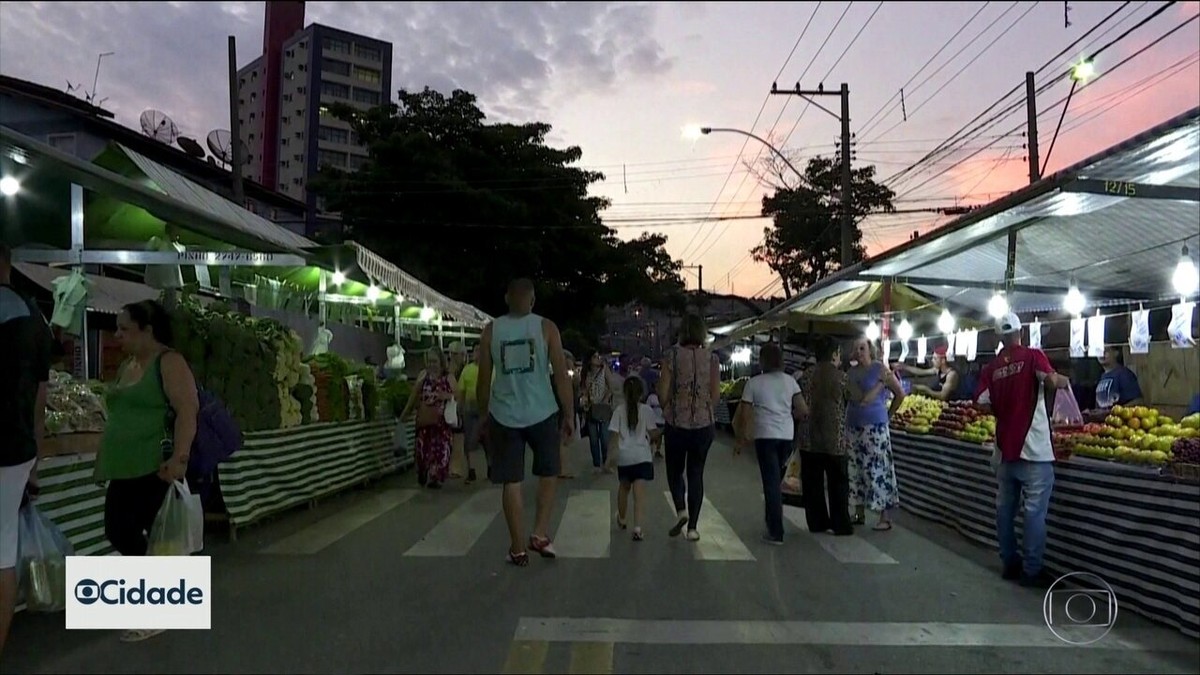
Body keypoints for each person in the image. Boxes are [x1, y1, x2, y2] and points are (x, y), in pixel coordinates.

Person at [96, 300, 199, 643]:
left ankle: (154, 604)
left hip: (154, 466)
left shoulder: (169, 362)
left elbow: (187, 410)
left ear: (148, 331)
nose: (117, 335)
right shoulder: (128, 365)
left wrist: (180, 458)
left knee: (140, 535)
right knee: (117, 530)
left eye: (124, 329)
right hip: (123, 467)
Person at [476, 279, 574, 567]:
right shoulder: (546, 327)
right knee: (549, 472)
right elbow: (561, 375)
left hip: (504, 415)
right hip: (543, 411)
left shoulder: (491, 331)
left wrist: (483, 414)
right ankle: (540, 533)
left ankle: (517, 548)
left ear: (507, 298)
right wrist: (569, 413)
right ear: (532, 301)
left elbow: (483, 379)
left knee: (511, 481)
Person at [975, 312, 1070, 587]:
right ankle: (1032, 569)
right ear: (1021, 332)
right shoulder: (1032, 356)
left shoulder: (991, 368)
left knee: (1005, 510)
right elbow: (1050, 381)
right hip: (1034, 449)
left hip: (1005, 449)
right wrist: (1062, 380)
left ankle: (1009, 563)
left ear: (999, 337)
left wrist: (1002, 411)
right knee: (1033, 512)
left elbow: (981, 402)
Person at [0, 243, 53, 657]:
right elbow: (41, 394)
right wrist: (34, 456)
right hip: (17, 449)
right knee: (2, 556)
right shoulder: (35, 316)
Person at [734, 343, 809, 545]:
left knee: (771, 483)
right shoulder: (790, 382)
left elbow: (745, 414)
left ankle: (775, 531)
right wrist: (789, 415)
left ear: (762, 361)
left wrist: (741, 438)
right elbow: (803, 410)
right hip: (786, 436)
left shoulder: (754, 383)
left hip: (765, 436)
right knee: (776, 481)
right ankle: (772, 523)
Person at [658, 313, 720, 541]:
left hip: (677, 423)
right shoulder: (712, 359)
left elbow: (663, 393)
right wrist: (704, 410)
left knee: (674, 471)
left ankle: (681, 509)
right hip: (704, 425)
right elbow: (715, 395)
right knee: (696, 473)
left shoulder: (671, 356)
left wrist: (668, 406)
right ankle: (693, 528)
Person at [846, 337, 906, 531]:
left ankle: (884, 516)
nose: (859, 352)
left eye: (862, 348)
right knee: (855, 468)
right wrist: (881, 384)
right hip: (854, 425)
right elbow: (861, 399)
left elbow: (900, 394)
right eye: (856, 348)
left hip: (876, 426)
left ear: (869, 350)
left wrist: (888, 414)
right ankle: (859, 511)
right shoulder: (851, 373)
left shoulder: (880, 368)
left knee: (879, 468)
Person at [800, 336, 854, 536]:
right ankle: (840, 524)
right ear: (834, 354)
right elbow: (854, 397)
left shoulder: (806, 375)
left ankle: (817, 522)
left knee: (812, 483)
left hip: (810, 437)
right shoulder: (842, 377)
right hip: (835, 438)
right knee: (838, 483)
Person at [608, 376, 658, 541]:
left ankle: (622, 519)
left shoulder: (618, 411)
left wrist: (610, 458)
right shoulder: (647, 410)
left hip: (625, 458)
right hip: (642, 457)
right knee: (639, 496)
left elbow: (614, 436)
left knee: (624, 489)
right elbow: (653, 433)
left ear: (624, 393)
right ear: (641, 393)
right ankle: (637, 528)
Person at [402, 348, 456, 489]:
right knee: (422, 451)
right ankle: (423, 471)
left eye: (434, 361)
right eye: (429, 361)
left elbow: (458, 396)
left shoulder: (448, 378)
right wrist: (405, 414)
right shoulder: (423, 375)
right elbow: (414, 395)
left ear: (441, 362)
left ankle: (435, 477)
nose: (432, 364)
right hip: (425, 422)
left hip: (442, 425)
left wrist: (446, 396)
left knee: (441, 451)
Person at [581, 351, 615, 473]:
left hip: (603, 407)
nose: (598, 358)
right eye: (595, 356)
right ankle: (596, 464)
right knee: (593, 438)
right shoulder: (586, 373)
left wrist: (605, 399)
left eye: (598, 356)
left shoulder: (604, 370)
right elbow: (583, 389)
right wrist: (585, 400)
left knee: (605, 437)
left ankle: (606, 463)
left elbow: (611, 387)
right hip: (591, 407)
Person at [456, 344, 483, 481]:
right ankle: (471, 469)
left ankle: (491, 466)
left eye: (480, 350)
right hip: (469, 408)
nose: (477, 353)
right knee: (469, 440)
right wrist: (459, 408)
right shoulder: (467, 370)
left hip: (486, 408)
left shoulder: (491, 368)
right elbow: (461, 391)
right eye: (475, 350)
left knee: (488, 440)